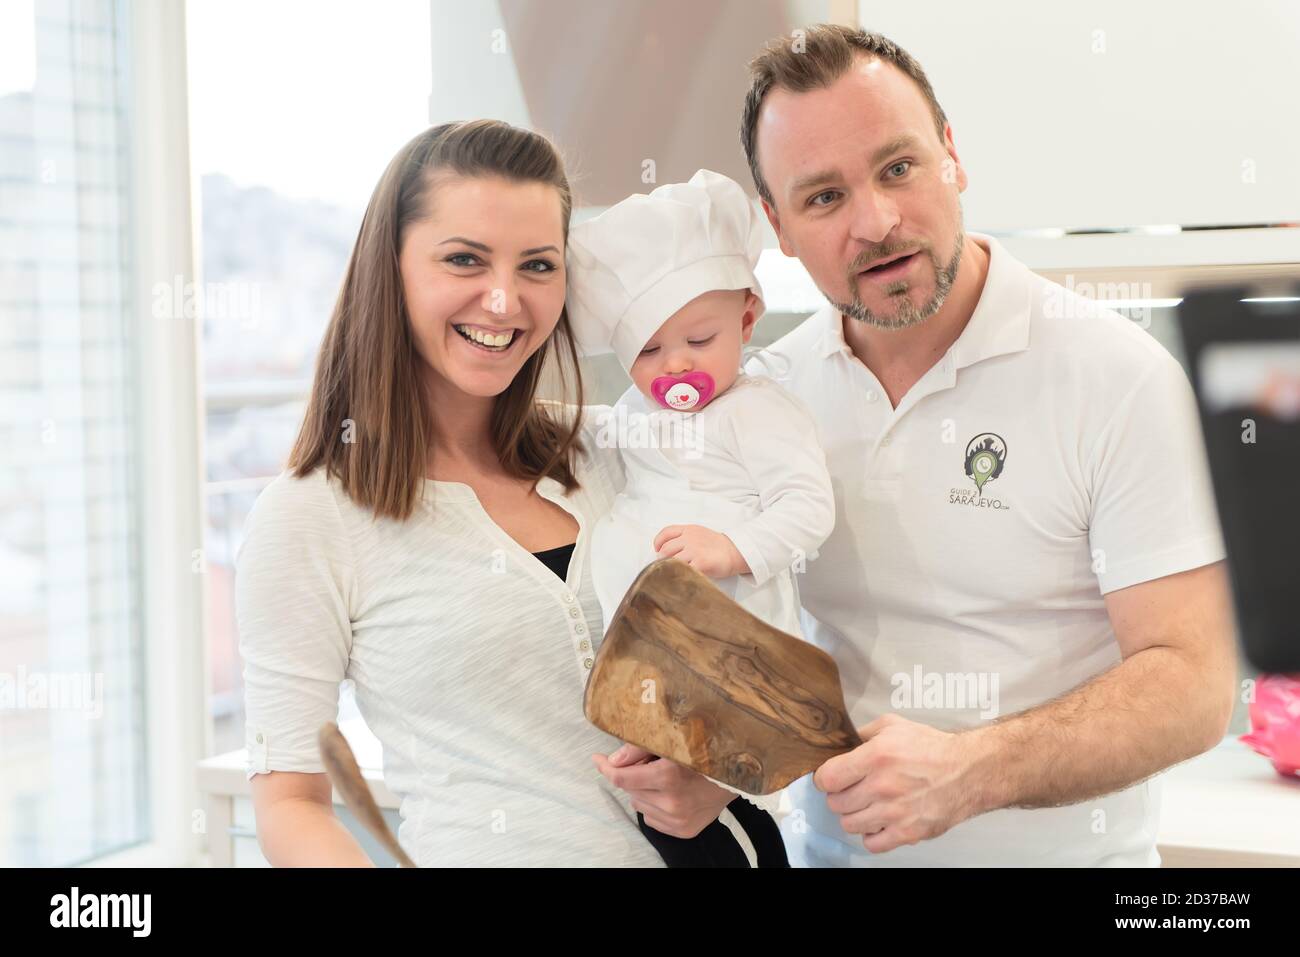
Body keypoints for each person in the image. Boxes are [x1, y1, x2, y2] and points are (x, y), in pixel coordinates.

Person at [732, 24, 1238, 866]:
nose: (878, 221)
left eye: (898, 168)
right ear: (777, 225)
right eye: (823, 197)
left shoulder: (1115, 377)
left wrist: (971, 769)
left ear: (951, 156)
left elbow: (1194, 683)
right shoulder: (767, 398)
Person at [236, 119, 665, 866]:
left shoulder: (616, 447)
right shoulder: (311, 515)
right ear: (390, 269)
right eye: (464, 259)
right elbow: (291, 804)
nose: (503, 301)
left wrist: (712, 784)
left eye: (538, 265)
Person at [566, 168, 837, 866]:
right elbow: (600, 438)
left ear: (748, 317)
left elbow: (809, 507)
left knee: (716, 746)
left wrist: (733, 547)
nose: (674, 365)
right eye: (648, 352)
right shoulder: (633, 411)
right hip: (648, 632)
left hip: (731, 612)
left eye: (698, 338)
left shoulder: (759, 411)